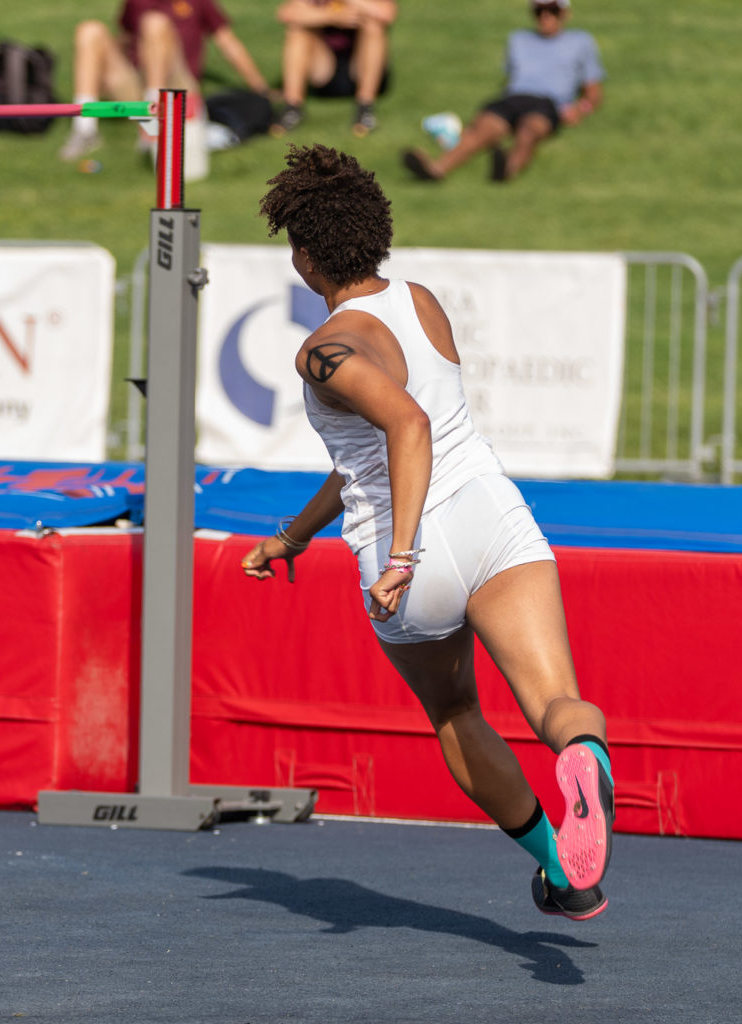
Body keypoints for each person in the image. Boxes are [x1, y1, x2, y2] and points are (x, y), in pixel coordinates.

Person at [242, 144, 616, 920]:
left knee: (455, 712)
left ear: (306, 257)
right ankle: (584, 760)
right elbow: (367, 453)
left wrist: (404, 555)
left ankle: (561, 868)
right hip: (493, 516)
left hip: (407, 552)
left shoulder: (323, 351)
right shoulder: (420, 299)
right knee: (557, 703)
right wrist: (296, 535)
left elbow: (406, 428)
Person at [57, 0, 274, 173]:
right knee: (90, 30)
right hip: (138, 83)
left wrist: (261, 89)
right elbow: (124, 41)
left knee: (155, 23)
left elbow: (228, 43)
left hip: (179, 85)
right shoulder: (135, 3)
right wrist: (105, 74)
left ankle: (153, 123)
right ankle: (85, 130)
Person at [402, 0, 603, 183]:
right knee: (480, 131)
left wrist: (580, 109)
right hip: (513, 98)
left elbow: (593, 91)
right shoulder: (518, 39)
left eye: (552, 10)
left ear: (564, 13)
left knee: (529, 132)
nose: (545, 16)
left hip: (547, 102)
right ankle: (435, 169)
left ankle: (507, 169)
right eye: (539, 11)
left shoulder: (580, 42)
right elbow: (510, 79)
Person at [271, 0, 398, 137]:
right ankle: (292, 108)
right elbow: (285, 14)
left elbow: (387, 13)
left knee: (373, 25)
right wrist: (332, 16)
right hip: (324, 66)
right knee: (298, 30)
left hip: (359, 67)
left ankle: (365, 107)